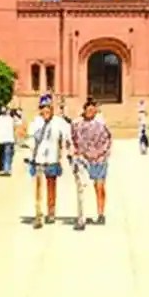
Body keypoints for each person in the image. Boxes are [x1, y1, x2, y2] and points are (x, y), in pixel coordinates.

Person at [26, 94, 71, 229]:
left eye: (48, 108)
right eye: (43, 108)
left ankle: (51, 211)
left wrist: (69, 151)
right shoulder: (35, 123)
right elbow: (31, 140)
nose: (45, 111)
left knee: (51, 186)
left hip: (52, 159)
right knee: (38, 188)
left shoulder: (59, 122)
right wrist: (30, 155)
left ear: (52, 109)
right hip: (38, 159)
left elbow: (67, 138)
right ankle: (38, 214)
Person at [71, 99, 112, 230]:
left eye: (92, 109)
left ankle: (101, 213)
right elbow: (72, 139)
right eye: (87, 109)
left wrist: (102, 154)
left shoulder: (101, 123)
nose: (90, 112)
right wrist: (75, 154)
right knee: (82, 188)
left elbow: (108, 140)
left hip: (99, 160)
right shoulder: (77, 124)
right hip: (83, 159)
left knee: (99, 187)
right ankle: (82, 217)